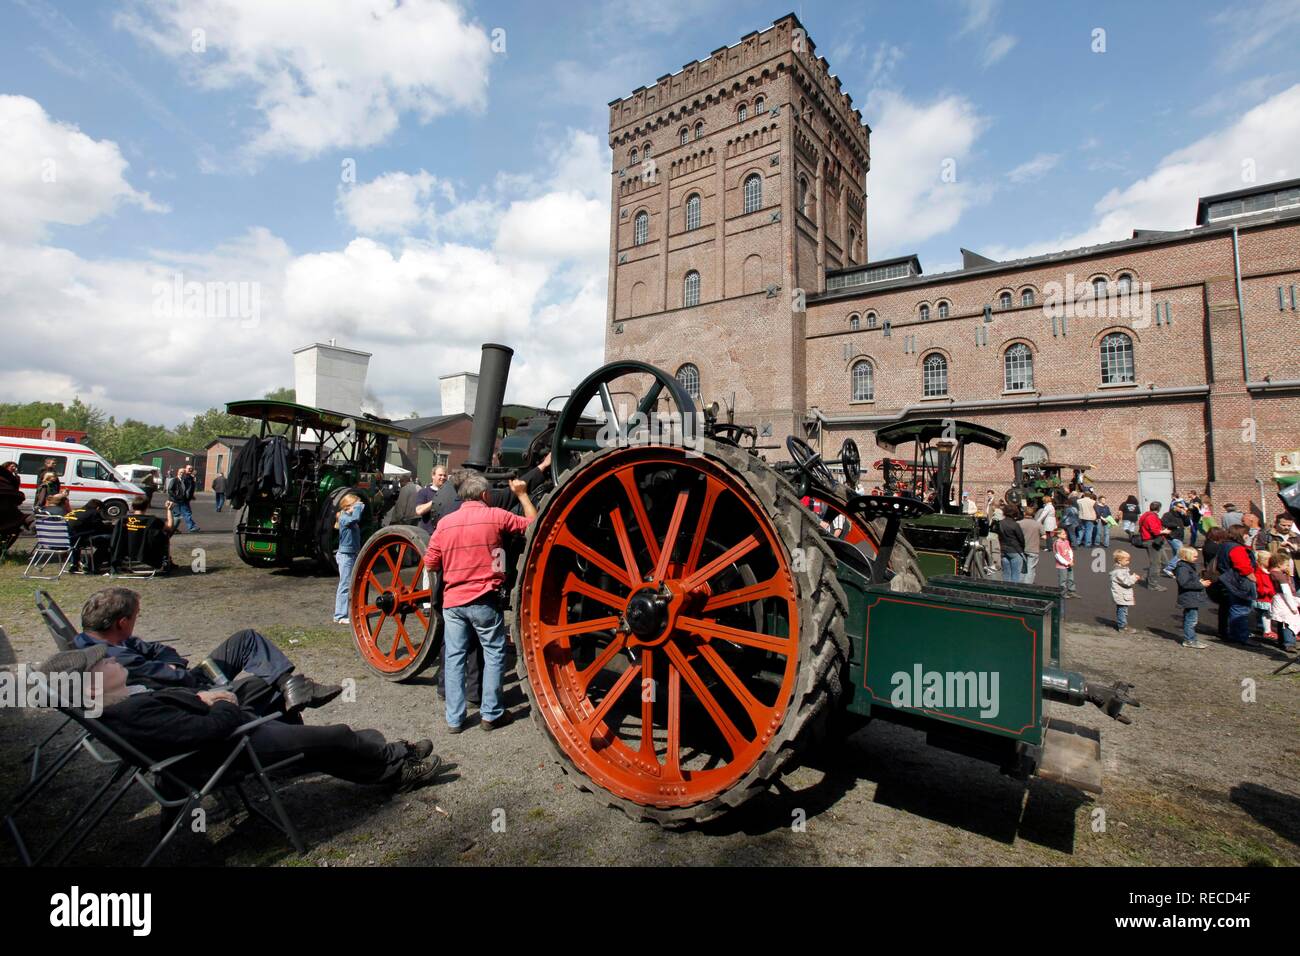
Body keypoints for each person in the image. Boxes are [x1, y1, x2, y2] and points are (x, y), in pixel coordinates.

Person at [36, 647, 443, 794]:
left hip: (219, 736)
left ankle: (376, 755)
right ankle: (395, 763)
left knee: (271, 697)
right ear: (90, 688)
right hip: (227, 748)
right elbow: (206, 730)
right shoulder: (132, 711)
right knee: (335, 736)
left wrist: (200, 697)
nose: (110, 658)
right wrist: (221, 701)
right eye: (102, 662)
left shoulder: (119, 703)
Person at [72, 586, 340, 713]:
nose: (136, 622)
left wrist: (171, 663)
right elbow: (172, 675)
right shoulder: (116, 659)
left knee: (246, 639)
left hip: (181, 682)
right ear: (122, 622)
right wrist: (174, 668)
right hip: (192, 696)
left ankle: (293, 686)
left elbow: (159, 649)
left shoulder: (97, 641)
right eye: (136, 617)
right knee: (265, 686)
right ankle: (290, 745)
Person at [423, 473, 536, 733]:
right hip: (485, 600)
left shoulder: (446, 523)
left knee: (453, 658)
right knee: (494, 653)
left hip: (453, 602)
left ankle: (454, 719)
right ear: (485, 495)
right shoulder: (496, 515)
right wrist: (521, 494)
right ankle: (491, 713)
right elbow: (532, 525)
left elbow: (430, 562)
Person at [1214, 525, 1257, 645]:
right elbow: (1244, 567)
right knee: (1241, 608)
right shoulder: (1237, 548)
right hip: (1238, 581)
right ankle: (1240, 636)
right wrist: (1254, 579)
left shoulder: (1224, 545)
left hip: (1228, 579)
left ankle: (1232, 633)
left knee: (1232, 607)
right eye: (1247, 534)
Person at [334, 493, 364, 625]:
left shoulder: (347, 516)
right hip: (346, 556)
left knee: (351, 585)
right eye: (356, 504)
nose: (360, 506)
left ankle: (348, 612)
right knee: (344, 585)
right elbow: (356, 518)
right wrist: (357, 507)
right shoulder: (344, 517)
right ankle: (340, 615)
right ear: (348, 506)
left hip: (352, 554)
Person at [1173, 546, 1210, 648]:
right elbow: (1184, 583)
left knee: (1190, 619)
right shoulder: (1183, 568)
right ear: (1186, 556)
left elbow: (1188, 581)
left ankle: (1191, 639)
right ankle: (1189, 640)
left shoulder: (1186, 567)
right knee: (1191, 620)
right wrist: (1200, 584)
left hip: (1190, 597)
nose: (1196, 558)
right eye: (1194, 556)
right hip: (1189, 598)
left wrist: (1199, 582)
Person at [65, 498, 113, 572]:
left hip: (65, 539)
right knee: (107, 540)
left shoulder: (75, 511)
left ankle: (74, 564)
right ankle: (92, 566)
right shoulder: (93, 513)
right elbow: (100, 528)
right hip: (78, 539)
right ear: (98, 508)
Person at [1266, 554, 1298, 653]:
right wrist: (1293, 607)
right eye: (1286, 564)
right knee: (1289, 621)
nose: (1288, 567)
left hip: (1277, 599)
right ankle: (1289, 643)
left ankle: (1281, 640)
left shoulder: (1272, 573)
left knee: (1281, 621)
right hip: (1283, 600)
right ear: (1279, 564)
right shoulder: (1280, 576)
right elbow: (1286, 592)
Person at [1138, 501, 1171, 590]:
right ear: (1159, 508)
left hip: (1154, 541)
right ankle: (1152, 585)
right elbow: (1155, 531)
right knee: (1155, 564)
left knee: (1165, 562)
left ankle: (1147, 577)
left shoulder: (1145, 515)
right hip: (1152, 541)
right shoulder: (1151, 517)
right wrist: (1164, 531)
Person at [413, 465, 449, 534]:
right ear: (433, 476)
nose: (443, 477)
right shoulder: (424, 492)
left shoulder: (450, 493)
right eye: (440, 475)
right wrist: (436, 500)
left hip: (444, 533)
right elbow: (419, 511)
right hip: (428, 534)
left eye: (445, 475)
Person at [1110, 550, 1139, 633]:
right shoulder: (1118, 571)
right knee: (1122, 610)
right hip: (1121, 594)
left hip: (1123, 594)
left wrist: (1131, 576)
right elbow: (1126, 582)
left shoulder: (1122, 569)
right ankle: (1122, 626)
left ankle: (1122, 624)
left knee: (1123, 609)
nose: (1128, 562)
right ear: (1119, 560)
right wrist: (1134, 578)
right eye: (1126, 560)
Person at [996, 504, 1025, 583]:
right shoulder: (1015, 525)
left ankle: (1005, 592)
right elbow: (1021, 538)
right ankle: (1013, 592)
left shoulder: (1000, 523)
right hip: (1015, 550)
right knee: (1015, 575)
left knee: (1006, 574)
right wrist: (1022, 549)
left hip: (1003, 549)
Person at [1017, 505, 1044, 584]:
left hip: (1022, 548)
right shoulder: (1037, 524)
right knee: (1031, 568)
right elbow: (1044, 535)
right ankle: (1028, 585)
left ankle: (1020, 583)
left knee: (1022, 568)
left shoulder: (1019, 523)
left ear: (1024, 513)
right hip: (1033, 549)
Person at [1159, 502, 1189, 576]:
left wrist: (1185, 516)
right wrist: (1176, 526)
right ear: (1174, 507)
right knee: (1181, 553)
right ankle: (1168, 568)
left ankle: (1175, 569)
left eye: (1182, 507)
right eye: (1180, 507)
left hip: (1180, 537)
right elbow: (1163, 522)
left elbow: (1187, 523)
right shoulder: (1168, 514)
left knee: (1177, 554)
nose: (1181, 509)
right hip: (1172, 536)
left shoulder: (1181, 515)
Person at [168, 465, 199, 532]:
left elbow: (187, 490)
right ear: (178, 472)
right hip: (175, 500)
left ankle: (175, 529)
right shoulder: (174, 480)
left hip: (182, 500)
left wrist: (190, 496)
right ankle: (190, 527)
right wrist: (176, 497)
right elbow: (170, 490)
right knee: (178, 515)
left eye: (183, 472)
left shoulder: (184, 480)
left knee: (181, 514)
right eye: (180, 472)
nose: (182, 473)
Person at [1253, 551, 1275, 639]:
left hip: (1266, 596)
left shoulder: (1265, 571)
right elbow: (1261, 585)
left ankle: (1260, 626)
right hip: (1264, 596)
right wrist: (1269, 592)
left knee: (1261, 613)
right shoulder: (1259, 572)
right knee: (1266, 613)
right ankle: (1267, 631)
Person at [1052, 528, 1078, 597]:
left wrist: (1071, 560)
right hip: (1062, 565)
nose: (1065, 535)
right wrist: (1066, 563)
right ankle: (1063, 593)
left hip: (1069, 563)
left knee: (1071, 578)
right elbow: (1058, 556)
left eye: (1065, 533)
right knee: (1063, 579)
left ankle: (1071, 591)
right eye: (1063, 534)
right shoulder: (1057, 543)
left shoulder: (1066, 541)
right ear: (1058, 535)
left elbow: (1070, 550)